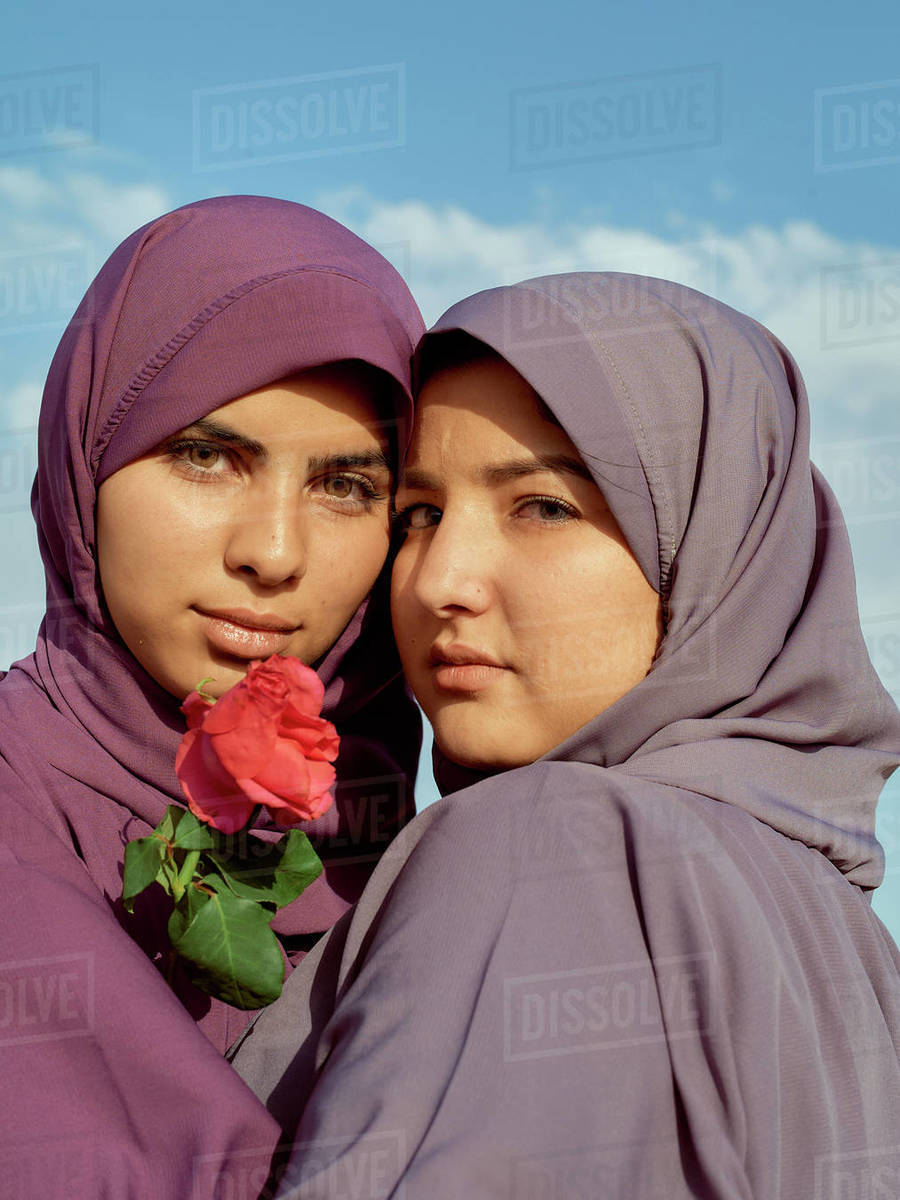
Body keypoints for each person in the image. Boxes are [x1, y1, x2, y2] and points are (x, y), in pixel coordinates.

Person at [231, 273, 900, 1199]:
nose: (438, 583)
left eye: (543, 507)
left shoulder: (546, 838)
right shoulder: (844, 941)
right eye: (420, 514)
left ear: (708, 550)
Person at [0, 195, 424, 1197]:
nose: (272, 553)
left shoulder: (414, 861)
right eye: (206, 456)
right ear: (85, 460)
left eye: (347, 487)